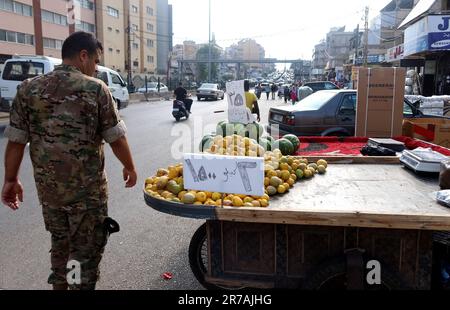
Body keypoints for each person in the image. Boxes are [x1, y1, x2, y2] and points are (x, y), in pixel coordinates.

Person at [1, 31, 137, 290]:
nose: (96, 68)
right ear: (83, 56)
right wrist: (129, 167)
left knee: (60, 247)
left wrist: (10, 180)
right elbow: (116, 138)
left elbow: (16, 141)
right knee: (83, 255)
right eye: (95, 61)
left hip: (50, 195)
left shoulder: (29, 89)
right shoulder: (95, 89)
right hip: (87, 197)